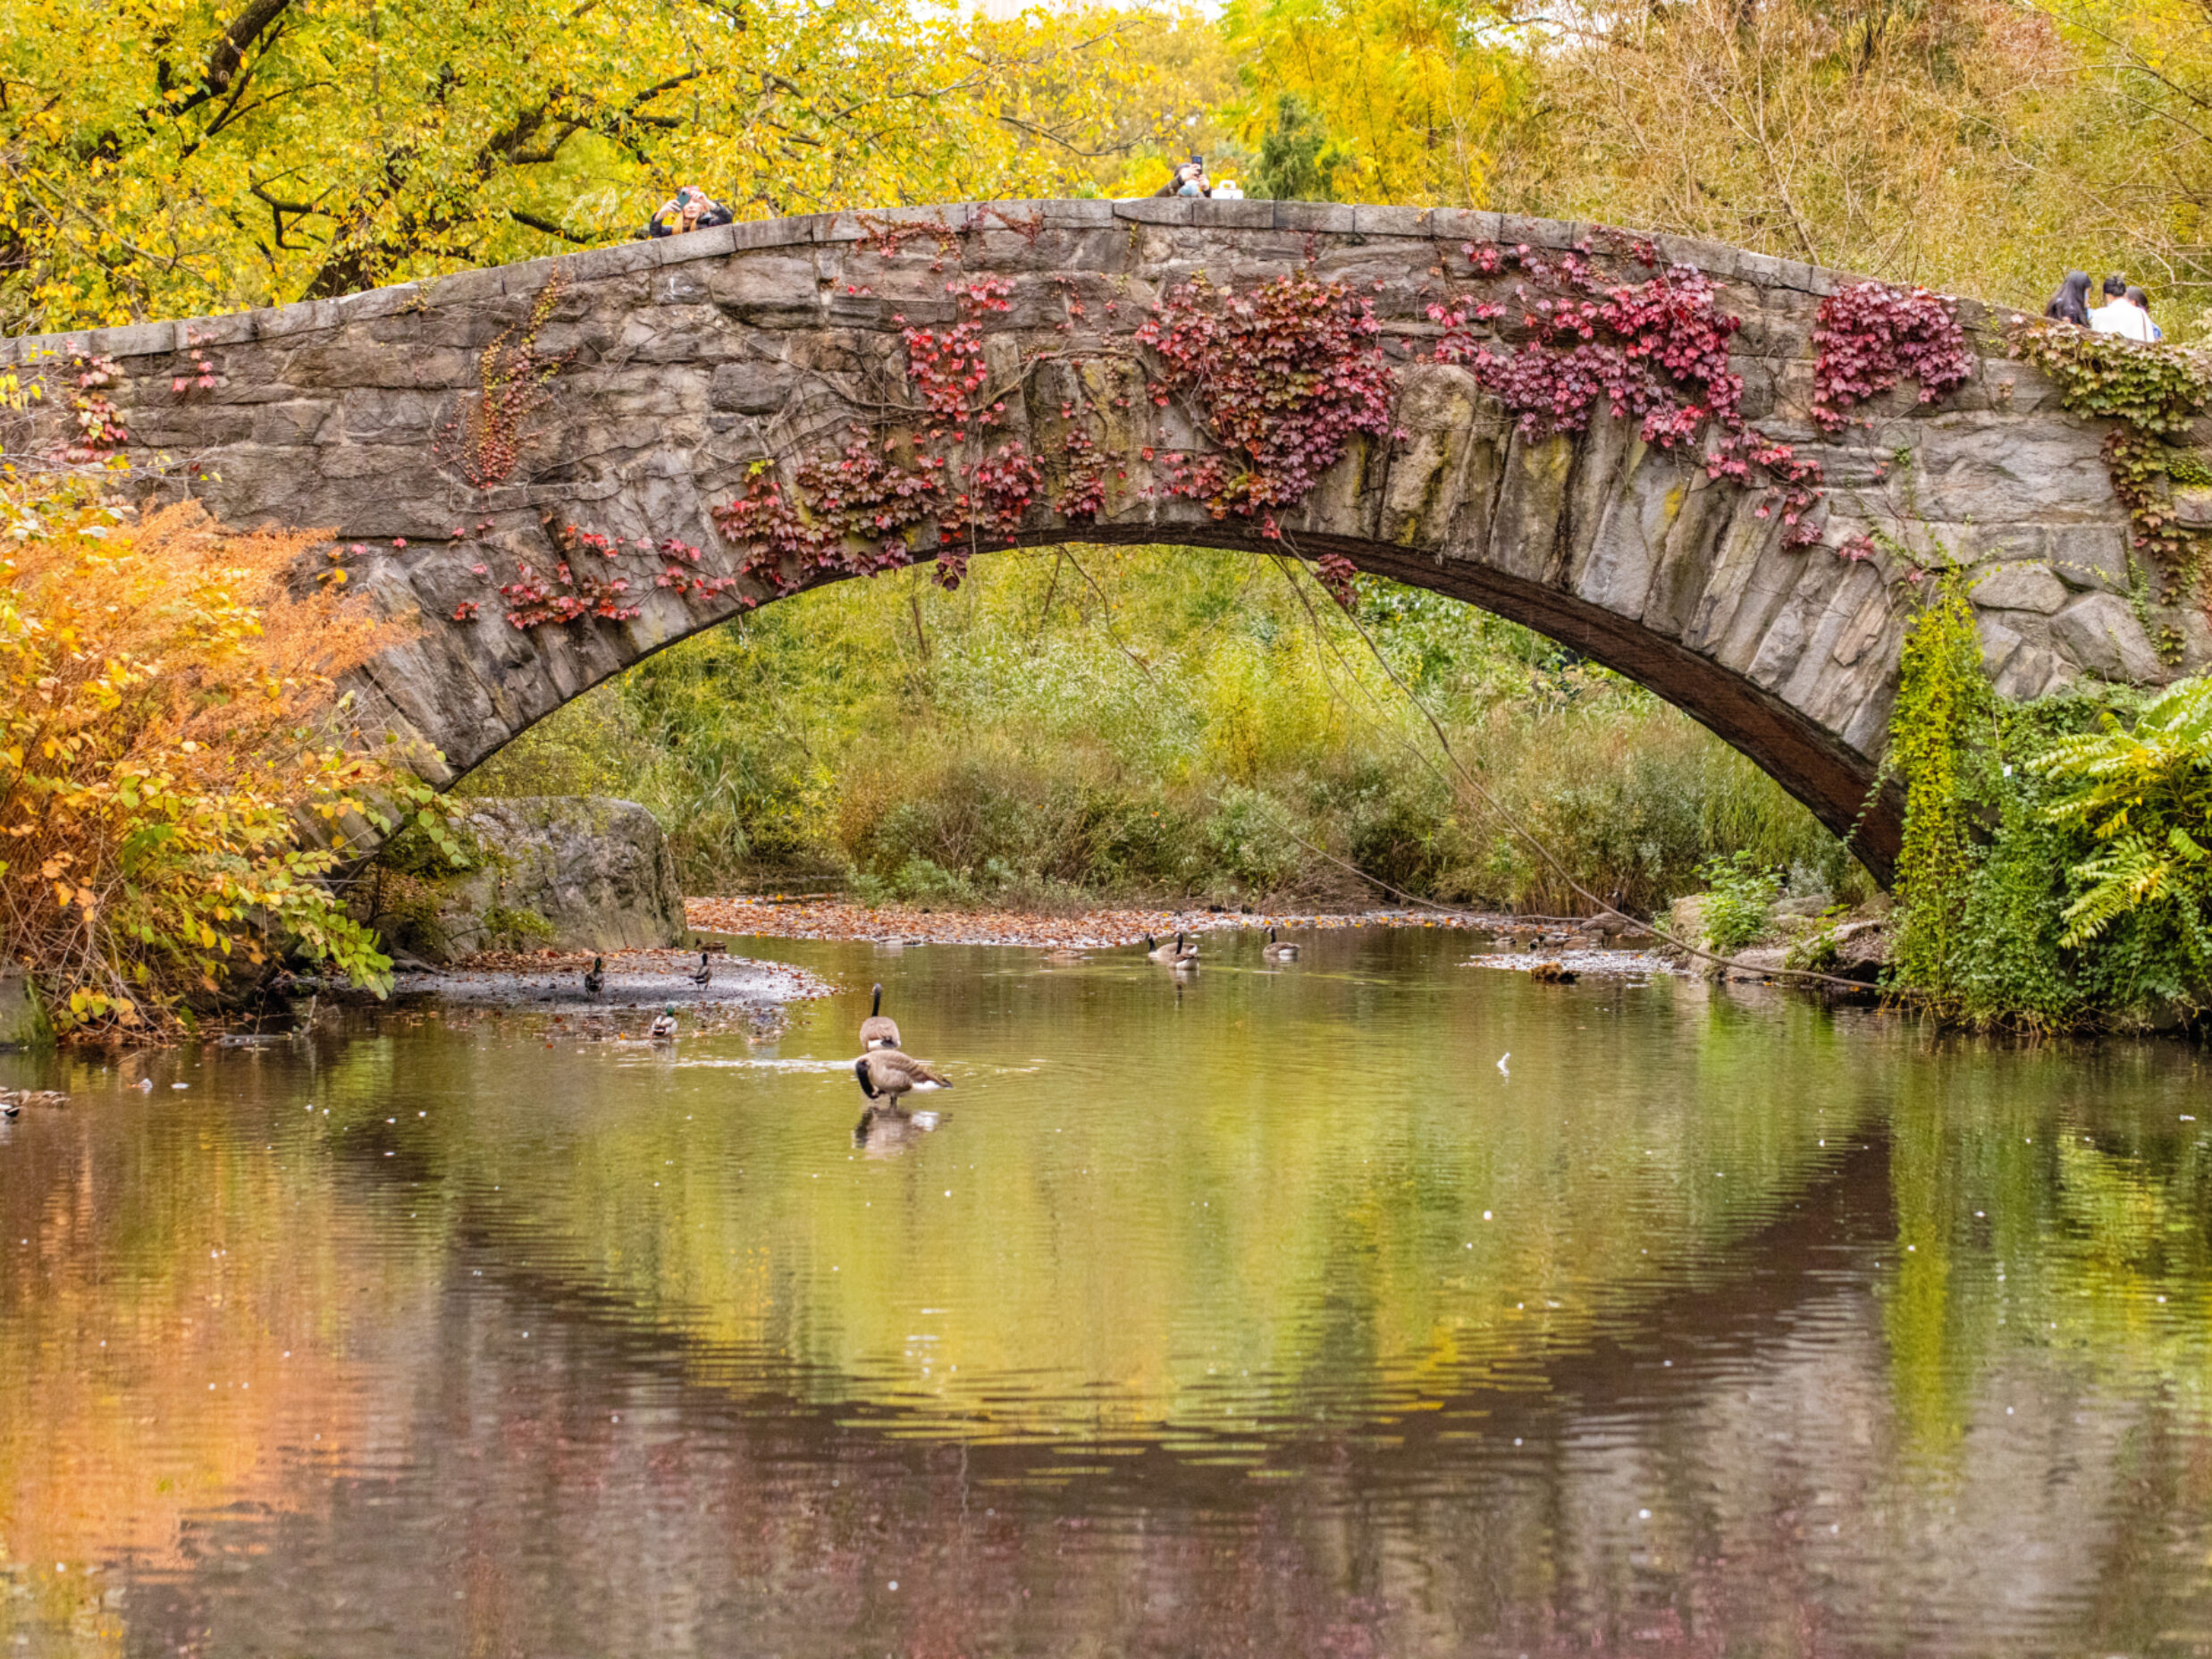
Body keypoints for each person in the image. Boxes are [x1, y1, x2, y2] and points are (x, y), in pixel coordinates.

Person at [646, 186, 733, 239]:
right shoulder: (674, 230)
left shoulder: (709, 225)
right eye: (687, 203)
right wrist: (661, 214)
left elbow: (727, 219)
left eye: (695, 202)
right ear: (682, 208)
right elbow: (655, 233)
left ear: (701, 206)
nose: (691, 206)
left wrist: (707, 202)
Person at [2089, 274, 2155, 341]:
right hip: (2138, 351)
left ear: (2107, 295)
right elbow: (2150, 340)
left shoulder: (2098, 314)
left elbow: (2095, 341)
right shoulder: (2141, 314)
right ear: (2125, 293)